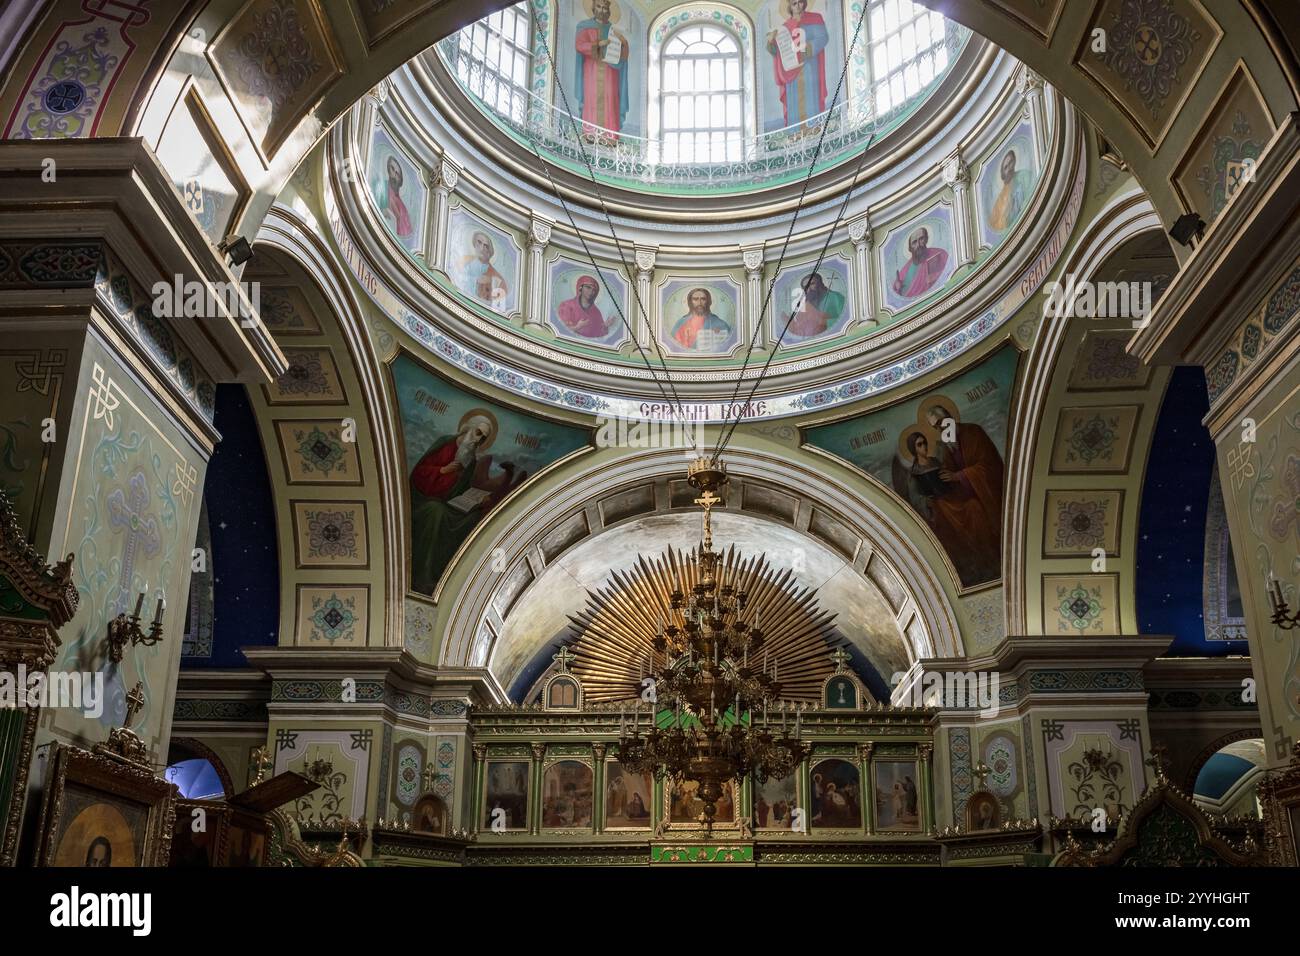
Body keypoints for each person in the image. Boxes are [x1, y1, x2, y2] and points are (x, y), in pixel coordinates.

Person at [408, 412, 519, 593]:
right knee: (436, 512)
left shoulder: (470, 460)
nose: (478, 440)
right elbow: (418, 474)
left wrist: (477, 499)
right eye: (478, 433)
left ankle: (446, 577)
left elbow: (462, 491)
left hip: (447, 504)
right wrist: (442, 470)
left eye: (483, 438)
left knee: (473, 519)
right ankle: (422, 573)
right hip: (422, 500)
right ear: (468, 428)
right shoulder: (445, 443)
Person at [766, 0, 829, 128]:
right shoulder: (784, 27)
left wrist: (804, 50)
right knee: (793, 98)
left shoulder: (815, 18)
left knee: (811, 94)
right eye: (794, 3)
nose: (798, 6)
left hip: (809, 66)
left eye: (800, 2)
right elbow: (777, 51)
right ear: (789, 6)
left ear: (804, 3)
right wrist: (771, 42)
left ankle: (813, 127)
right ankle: (795, 133)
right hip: (791, 71)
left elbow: (822, 37)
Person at [575, 0, 629, 136]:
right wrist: (598, 44)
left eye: (605, 8)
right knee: (592, 98)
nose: (602, 10)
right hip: (592, 70)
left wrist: (623, 44)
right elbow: (580, 45)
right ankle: (590, 133)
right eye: (599, 7)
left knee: (610, 99)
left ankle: (609, 136)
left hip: (611, 73)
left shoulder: (614, 30)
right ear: (593, 9)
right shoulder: (584, 26)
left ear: (609, 11)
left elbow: (622, 53)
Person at [891, 227, 949, 299]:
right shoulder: (906, 269)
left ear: (926, 239)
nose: (918, 245)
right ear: (910, 248)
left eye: (921, 239)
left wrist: (935, 276)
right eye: (914, 242)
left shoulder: (940, 254)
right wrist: (897, 287)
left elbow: (948, 271)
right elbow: (898, 289)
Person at [458, 231, 508, 308]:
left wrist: (491, 282)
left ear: (490, 251)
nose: (482, 248)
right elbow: (458, 279)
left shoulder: (496, 276)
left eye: (486, 246)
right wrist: (476, 280)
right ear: (474, 244)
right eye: (479, 242)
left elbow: (498, 303)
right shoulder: (465, 260)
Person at [788, 271, 845, 338]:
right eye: (805, 287)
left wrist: (824, 321)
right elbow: (799, 323)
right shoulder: (806, 305)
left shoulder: (835, 297)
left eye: (812, 284)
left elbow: (844, 319)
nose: (809, 288)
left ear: (820, 283)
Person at [988, 149, 1033, 232]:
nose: (1009, 168)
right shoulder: (1000, 199)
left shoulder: (1024, 176)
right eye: (1005, 167)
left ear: (1015, 162)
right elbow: (996, 223)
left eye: (1011, 162)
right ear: (1003, 173)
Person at [557, 274, 612, 339]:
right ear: (580, 288)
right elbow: (560, 328)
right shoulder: (566, 305)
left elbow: (599, 334)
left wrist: (605, 326)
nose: (591, 292)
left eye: (594, 290)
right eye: (588, 287)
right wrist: (577, 327)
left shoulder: (596, 312)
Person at [373, 154, 413, 241]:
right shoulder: (381, 187)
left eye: (397, 173)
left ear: (401, 180)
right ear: (388, 170)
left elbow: (404, 237)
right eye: (392, 168)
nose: (394, 174)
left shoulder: (403, 209)